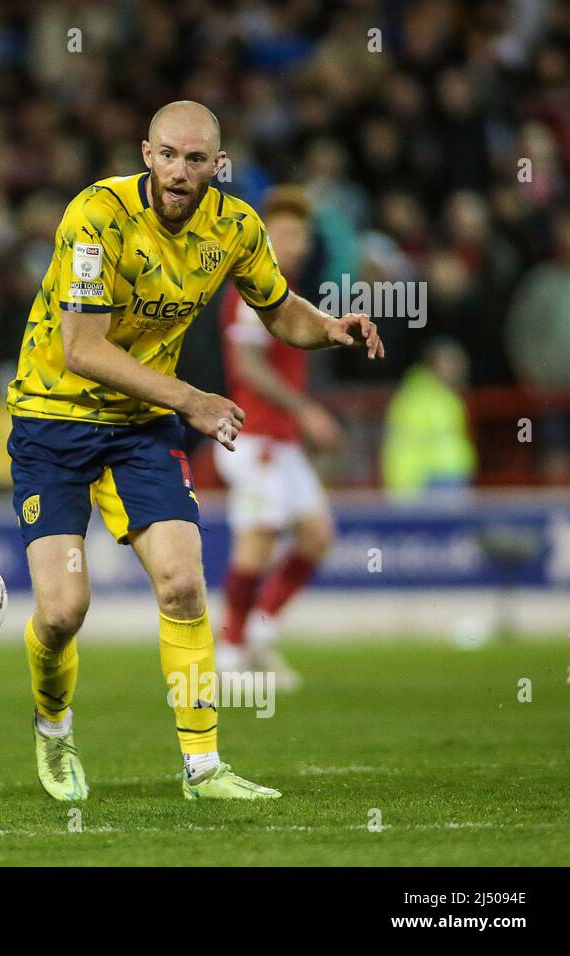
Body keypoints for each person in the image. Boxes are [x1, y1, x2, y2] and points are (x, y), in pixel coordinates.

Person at [6, 101, 384, 802]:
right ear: (146, 153)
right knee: (62, 612)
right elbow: (82, 349)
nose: (182, 172)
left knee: (182, 585)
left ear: (217, 164)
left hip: (142, 428)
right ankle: (53, 729)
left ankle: (203, 768)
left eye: (197, 159)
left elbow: (278, 307)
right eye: (170, 156)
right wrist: (192, 399)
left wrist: (329, 327)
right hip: (52, 423)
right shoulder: (95, 217)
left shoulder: (236, 226)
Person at [214, 187, 341, 690]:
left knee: (317, 536)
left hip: (280, 438)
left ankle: (259, 631)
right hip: (254, 435)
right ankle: (230, 650)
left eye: (302, 234)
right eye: (286, 233)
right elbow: (247, 364)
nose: (297, 242)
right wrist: (305, 409)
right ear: (264, 236)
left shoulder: (284, 288)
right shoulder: (252, 288)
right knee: (257, 542)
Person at [381, 338, 476, 500]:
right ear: (434, 365)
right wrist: (402, 489)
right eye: (452, 363)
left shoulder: (448, 398)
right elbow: (400, 446)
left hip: (452, 479)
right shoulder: (414, 399)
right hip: (425, 485)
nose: (459, 368)